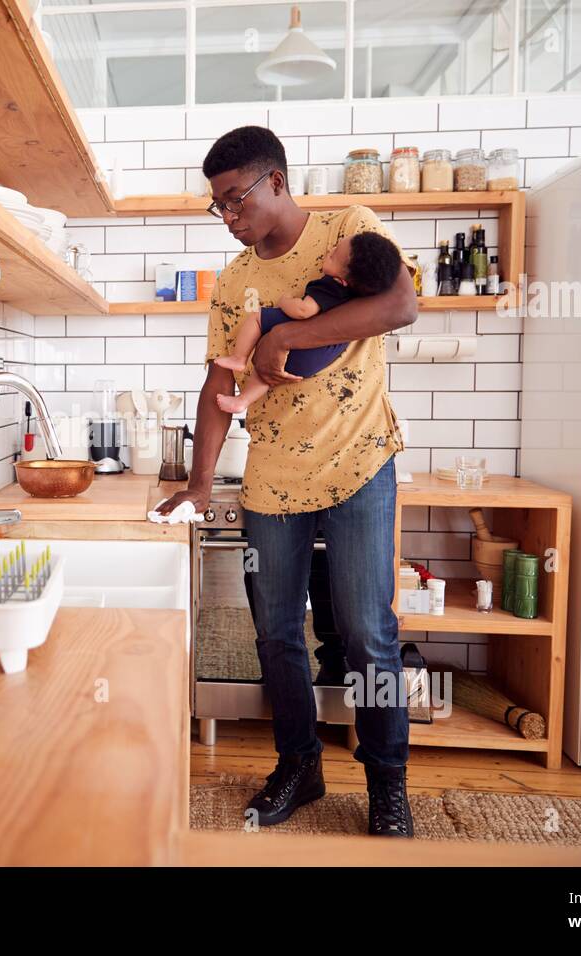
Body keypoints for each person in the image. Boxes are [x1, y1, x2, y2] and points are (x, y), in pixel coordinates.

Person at [157, 126, 418, 836]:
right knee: (274, 633)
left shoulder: (349, 229)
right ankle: (298, 765)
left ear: (277, 181)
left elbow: (399, 307)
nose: (230, 216)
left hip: (359, 462)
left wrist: (283, 337)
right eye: (218, 206)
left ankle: (387, 785)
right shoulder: (236, 279)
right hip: (273, 483)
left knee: (368, 633)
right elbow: (219, 380)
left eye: (235, 198)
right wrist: (201, 482)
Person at [213, 231, 405, 413]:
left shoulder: (331, 285)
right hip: (319, 357)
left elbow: (303, 311)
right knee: (267, 373)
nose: (329, 251)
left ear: (344, 279)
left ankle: (239, 359)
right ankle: (242, 401)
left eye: (333, 255)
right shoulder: (360, 297)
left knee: (257, 317)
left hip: (302, 343)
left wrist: (285, 301)